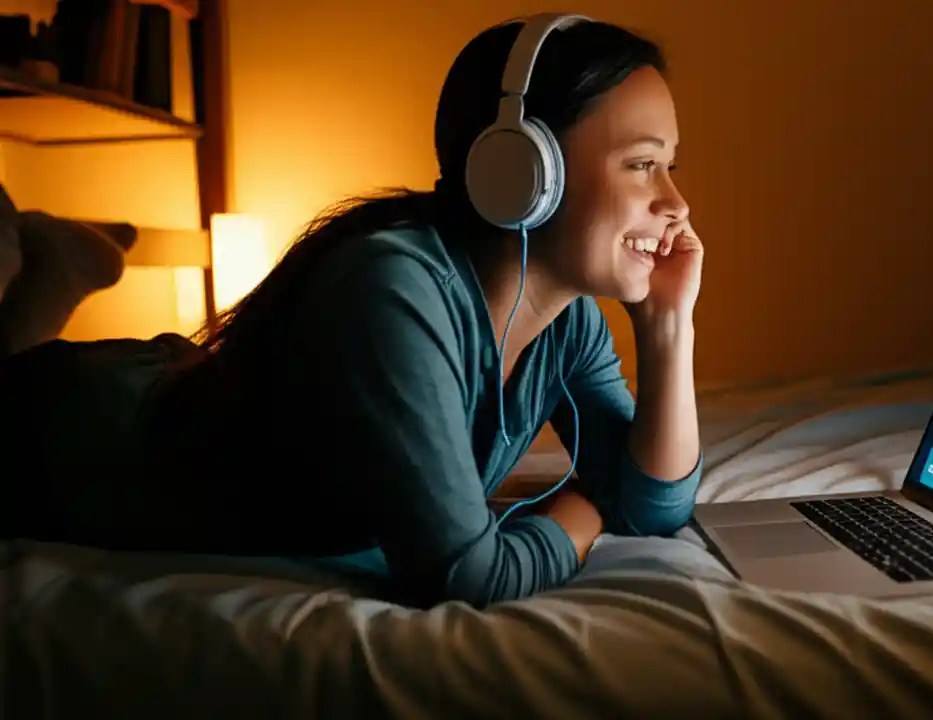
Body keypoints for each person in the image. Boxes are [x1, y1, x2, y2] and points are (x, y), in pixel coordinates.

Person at [0, 14, 704, 609]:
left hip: (154, 387)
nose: (675, 203)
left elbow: (656, 507)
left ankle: (42, 278)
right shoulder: (394, 287)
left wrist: (669, 328)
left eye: (670, 165)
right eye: (642, 165)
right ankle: (37, 277)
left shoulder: (567, 322)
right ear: (523, 171)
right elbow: (468, 577)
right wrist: (589, 501)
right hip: (86, 436)